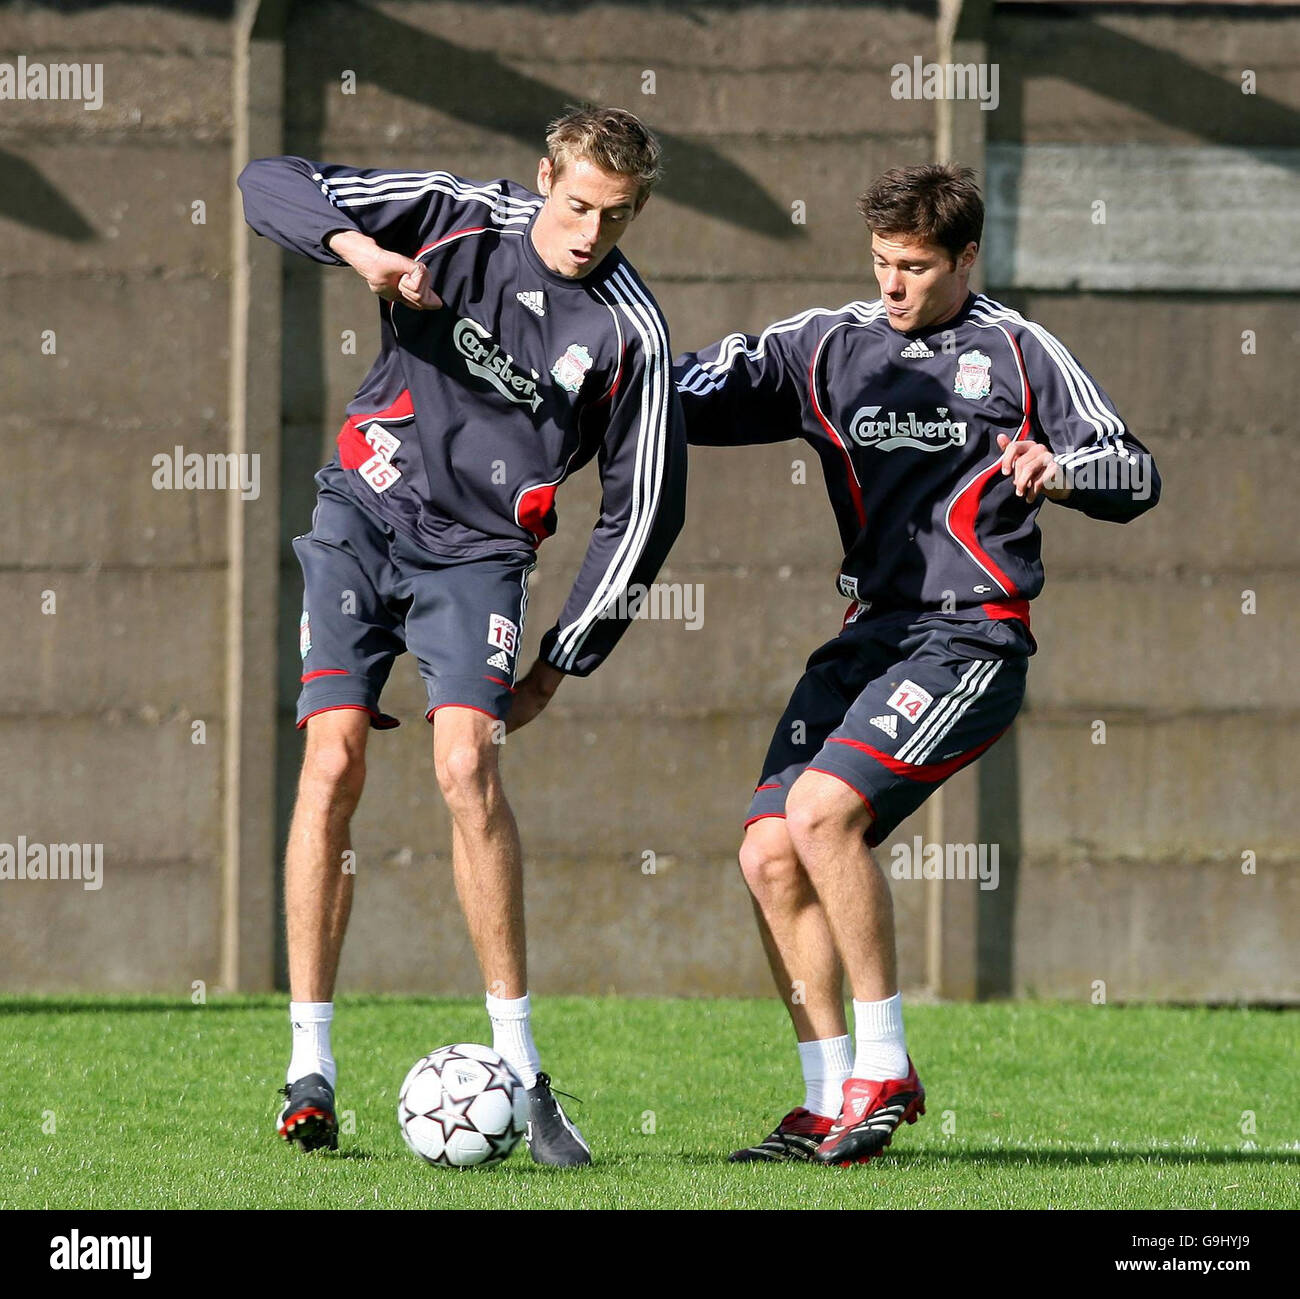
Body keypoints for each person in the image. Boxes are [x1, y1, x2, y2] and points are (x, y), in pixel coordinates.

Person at [674, 164, 1159, 1166]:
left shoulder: (1020, 352)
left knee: (819, 815)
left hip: (970, 636)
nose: (893, 286)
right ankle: (823, 1102)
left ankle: (884, 1069)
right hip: (870, 638)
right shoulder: (826, 347)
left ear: (965, 258)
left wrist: (1059, 471)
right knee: (768, 852)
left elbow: (1137, 471)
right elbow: (676, 390)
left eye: (915, 267)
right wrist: (589, 371)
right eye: (881, 264)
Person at [237, 104, 686, 1165]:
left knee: (464, 765)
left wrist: (563, 660)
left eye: (614, 219)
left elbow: (647, 509)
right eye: (577, 205)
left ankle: (526, 1076)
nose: (589, 233)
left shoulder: (631, 333)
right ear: (545, 179)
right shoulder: (452, 216)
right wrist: (360, 253)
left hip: (477, 559)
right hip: (359, 512)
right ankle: (309, 1065)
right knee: (332, 754)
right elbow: (267, 179)